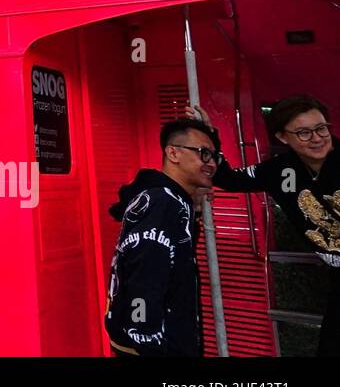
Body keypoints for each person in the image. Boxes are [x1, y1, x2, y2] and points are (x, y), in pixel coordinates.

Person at [194, 95, 340, 355]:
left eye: (321, 128)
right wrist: (208, 136)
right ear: (283, 137)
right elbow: (228, 179)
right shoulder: (280, 170)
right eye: (304, 133)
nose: (317, 138)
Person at [104, 116, 217, 357]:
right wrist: (146, 341)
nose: (212, 163)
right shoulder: (162, 202)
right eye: (203, 153)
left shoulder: (171, 198)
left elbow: (174, 258)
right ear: (173, 153)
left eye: (213, 156)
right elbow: (144, 273)